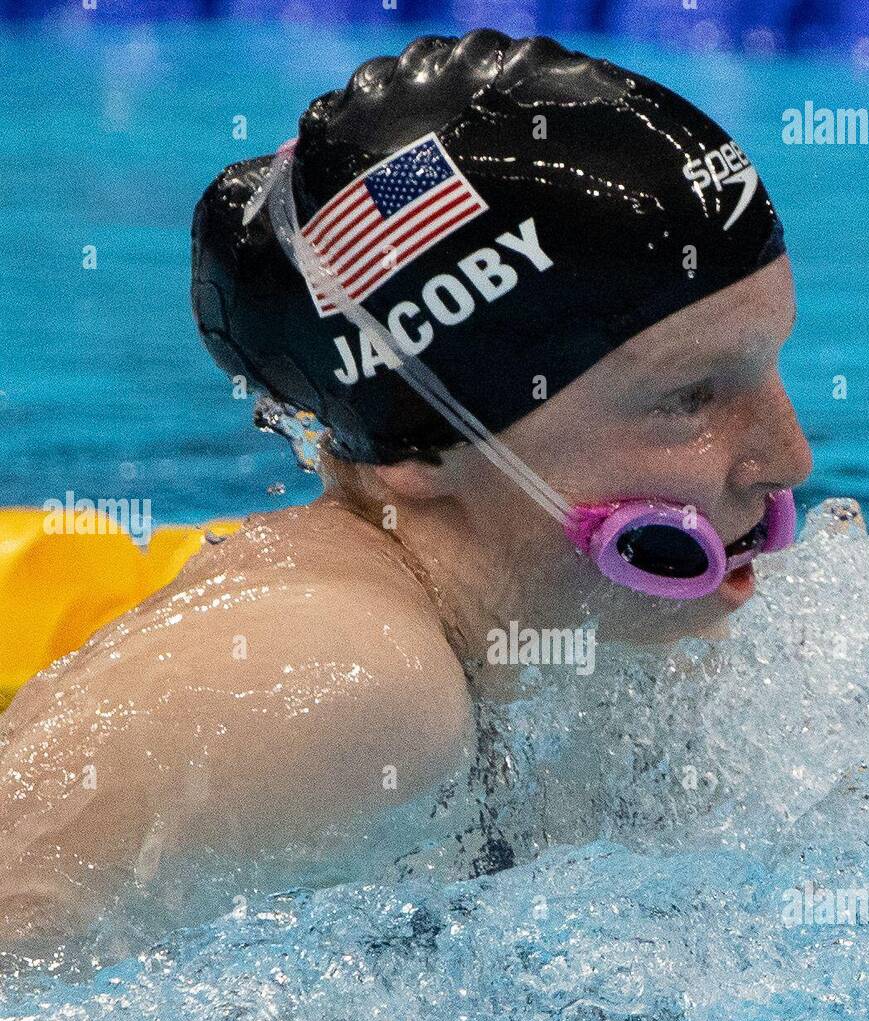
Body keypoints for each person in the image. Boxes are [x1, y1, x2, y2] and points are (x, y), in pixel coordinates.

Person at [0, 30, 811, 955]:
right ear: (422, 445)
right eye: (687, 398)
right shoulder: (345, 678)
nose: (789, 457)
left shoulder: (578, 642)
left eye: (770, 364)